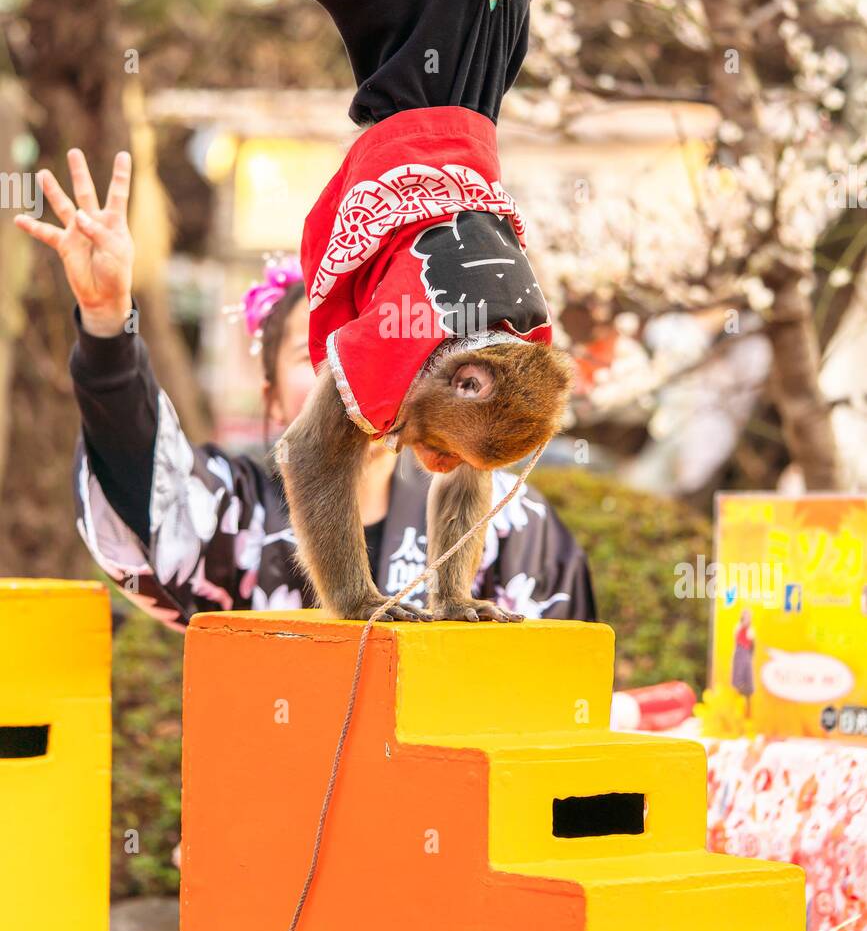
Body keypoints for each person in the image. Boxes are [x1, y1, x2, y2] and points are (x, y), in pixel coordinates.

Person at [15, 150, 596, 629]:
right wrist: (108, 327)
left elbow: (553, 688)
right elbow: (142, 478)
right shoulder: (233, 510)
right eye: (317, 362)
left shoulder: (508, 522)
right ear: (269, 393)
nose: (356, 382)